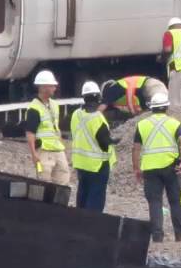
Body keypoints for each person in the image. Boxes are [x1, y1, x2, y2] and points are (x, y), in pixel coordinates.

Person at [132, 92, 181, 242]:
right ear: (166, 107)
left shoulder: (142, 125)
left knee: (155, 203)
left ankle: (157, 237)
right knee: (177, 202)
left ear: (151, 108)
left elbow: (136, 148)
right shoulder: (175, 123)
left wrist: (136, 168)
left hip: (150, 169)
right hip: (172, 167)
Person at [70, 80, 115, 212]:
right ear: (98, 97)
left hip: (81, 162)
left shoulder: (76, 114)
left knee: (83, 194)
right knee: (96, 197)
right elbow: (104, 143)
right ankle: (92, 222)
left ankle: (80, 219)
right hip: (97, 165)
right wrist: (115, 141)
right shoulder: (97, 118)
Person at [25, 70, 72, 186]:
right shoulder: (34, 108)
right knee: (43, 183)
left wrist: (62, 145)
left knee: (63, 181)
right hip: (43, 152)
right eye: (52, 86)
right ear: (43, 87)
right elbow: (30, 133)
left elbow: (55, 128)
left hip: (58, 149)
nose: (54, 88)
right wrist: (34, 154)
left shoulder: (54, 105)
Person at [102, 74, 168, 117]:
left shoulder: (113, 88)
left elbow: (130, 94)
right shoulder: (128, 85)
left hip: (152, 85)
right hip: (155, 85)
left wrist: (133, 112)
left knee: (159, 106)